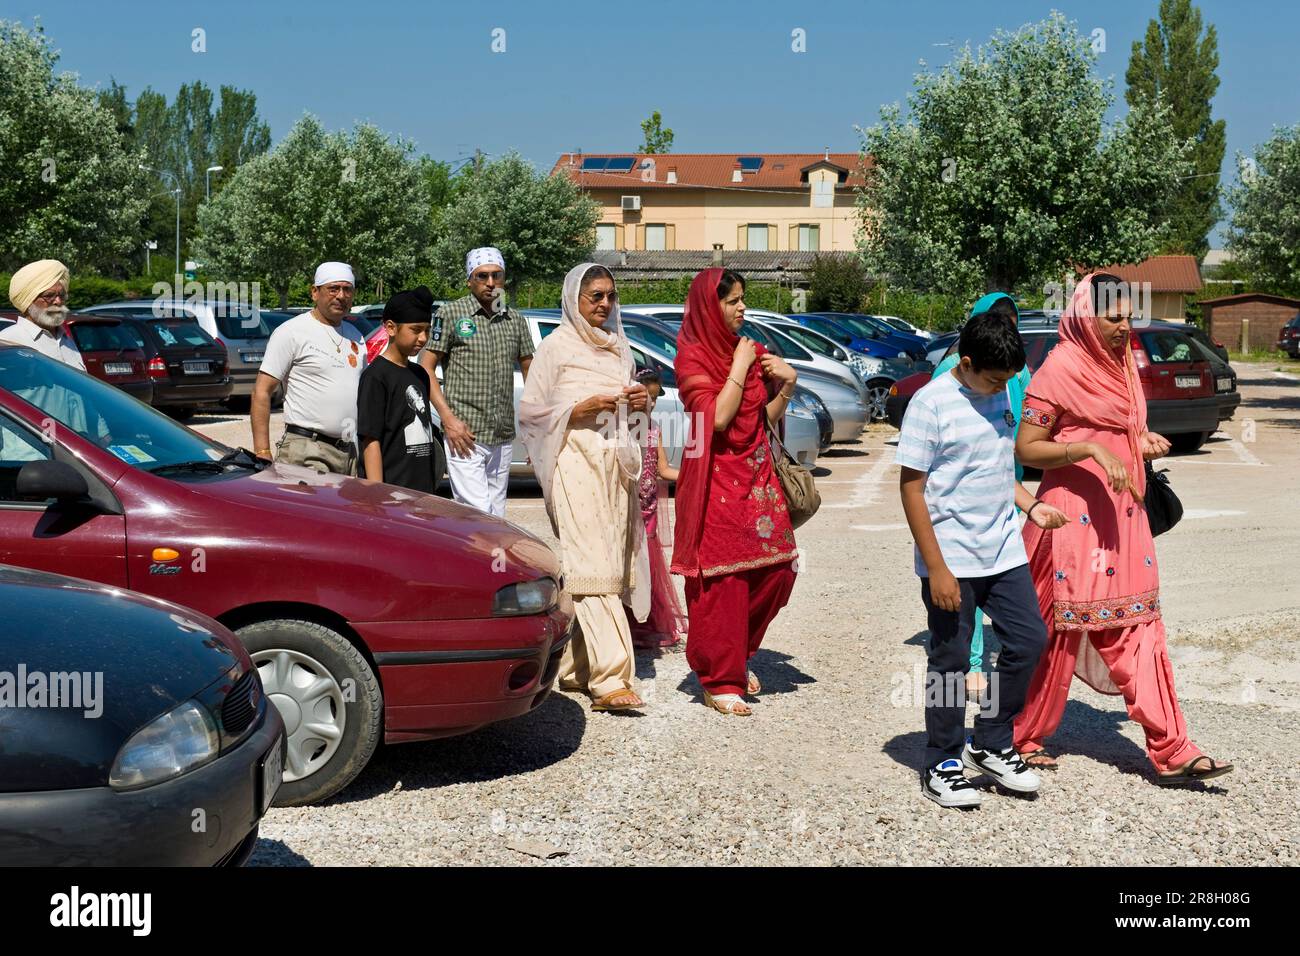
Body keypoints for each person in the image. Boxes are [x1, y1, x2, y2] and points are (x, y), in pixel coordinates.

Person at [1012, 273, 1234, 785]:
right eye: (1113, 317)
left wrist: (1141, 440)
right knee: (1051, 636)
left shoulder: (1122, 367)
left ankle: (1173, 747)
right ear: (1086, 316)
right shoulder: (1060, 368)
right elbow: (1026, 449)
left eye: (1129, 316)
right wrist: (1088, 449)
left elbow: (1119, 430)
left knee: (1138, 625)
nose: (1124, 327)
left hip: (1123, 518)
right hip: (1068, 524)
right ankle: (1018, 734)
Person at [897, 310, 1069, 808]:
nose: (1001, 390)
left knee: (1029, 640)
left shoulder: (998, 393)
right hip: (952, 558)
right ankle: (942, 760)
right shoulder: (931, 405)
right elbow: (911, 488)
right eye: (994, 380)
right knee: (950, 660)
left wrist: (1032, 504)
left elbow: (996, 468)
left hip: (1003, 550)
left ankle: (992, 741)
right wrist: (938, 569)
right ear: (966, 362)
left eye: (1007, 381)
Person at [517, 263, 650, 712]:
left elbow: (635, 414)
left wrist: (640, 401)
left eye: (610, 296)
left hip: (613, 466)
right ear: (574, 298)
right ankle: (611, 679)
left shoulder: (618, 349)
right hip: (572, 461)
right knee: (591, 562)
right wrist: (577, 410)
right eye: (595, 296)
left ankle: (576, 669)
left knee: (605, 562)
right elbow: (532, 415)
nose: (604, 304)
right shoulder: (555, 348)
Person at [670, 268, 800, 716]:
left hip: (757, 479)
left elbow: (760, 416)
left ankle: (735, 653)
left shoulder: (751, 350)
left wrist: (788, 383)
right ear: (711, 306)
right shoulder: (692, 358)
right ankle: (719, 677)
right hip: (714, 481)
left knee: (778, 571)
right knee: (722, 580)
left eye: (743, 299)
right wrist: (741, 367)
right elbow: (717, 419)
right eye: (732, 301)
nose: (742, 307)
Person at [928, 293, 1030, 697]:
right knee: (964, 588)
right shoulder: (950, 375)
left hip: (1008, 480)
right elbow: (916, 479)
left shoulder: (1011, 369)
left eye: (1012, 321)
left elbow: (1032, 411)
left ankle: (995, 729)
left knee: (997, 578)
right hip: (959, 505)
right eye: (998, 320)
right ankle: (970, 662)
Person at [419, 247, 533, 516]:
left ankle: (491, 560)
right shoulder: (450, 314)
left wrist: (536, 427)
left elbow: (531, 370)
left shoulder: (514, 319)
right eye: (482, 276)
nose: (491, 283)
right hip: (465, 434)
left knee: (497, 516)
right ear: (470, 280)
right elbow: (426, 366)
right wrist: (448, 420)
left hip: (502, 436)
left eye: (497, 275)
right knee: (477, 515)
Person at [253, 262, 367, 474]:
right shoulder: (292, 331)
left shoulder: (356, 335)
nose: (341, 296)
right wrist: (262, 451)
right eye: (333, 288)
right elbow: (262, 391)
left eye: (347, 289)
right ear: (315, 292)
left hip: (348, 452)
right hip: (307, 451)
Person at [626, 367, 687, 650]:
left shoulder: (654, 429)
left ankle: (646, 624)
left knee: (648, 569)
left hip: (648, 507)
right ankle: (625, 624)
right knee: (628, 567)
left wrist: (693, 474)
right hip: (628, 509)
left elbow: (662, 468)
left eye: (653, 399)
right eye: (645, 398)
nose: (649, 404)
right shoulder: (621, 429)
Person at [357, 287, 438, 494]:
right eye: (416, 329)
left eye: (427, 330)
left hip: (423, 492)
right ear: (391, 328)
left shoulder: (420, 374)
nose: (422, 338)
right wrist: (377, 492)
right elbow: (370, 439)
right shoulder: (376, 376)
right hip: (391, 494)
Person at [1, 260, 83, 370]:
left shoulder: (66, 340)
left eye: (62, 295)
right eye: (49, 296)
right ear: (29, 301)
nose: (58, 301)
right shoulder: (8, 341)